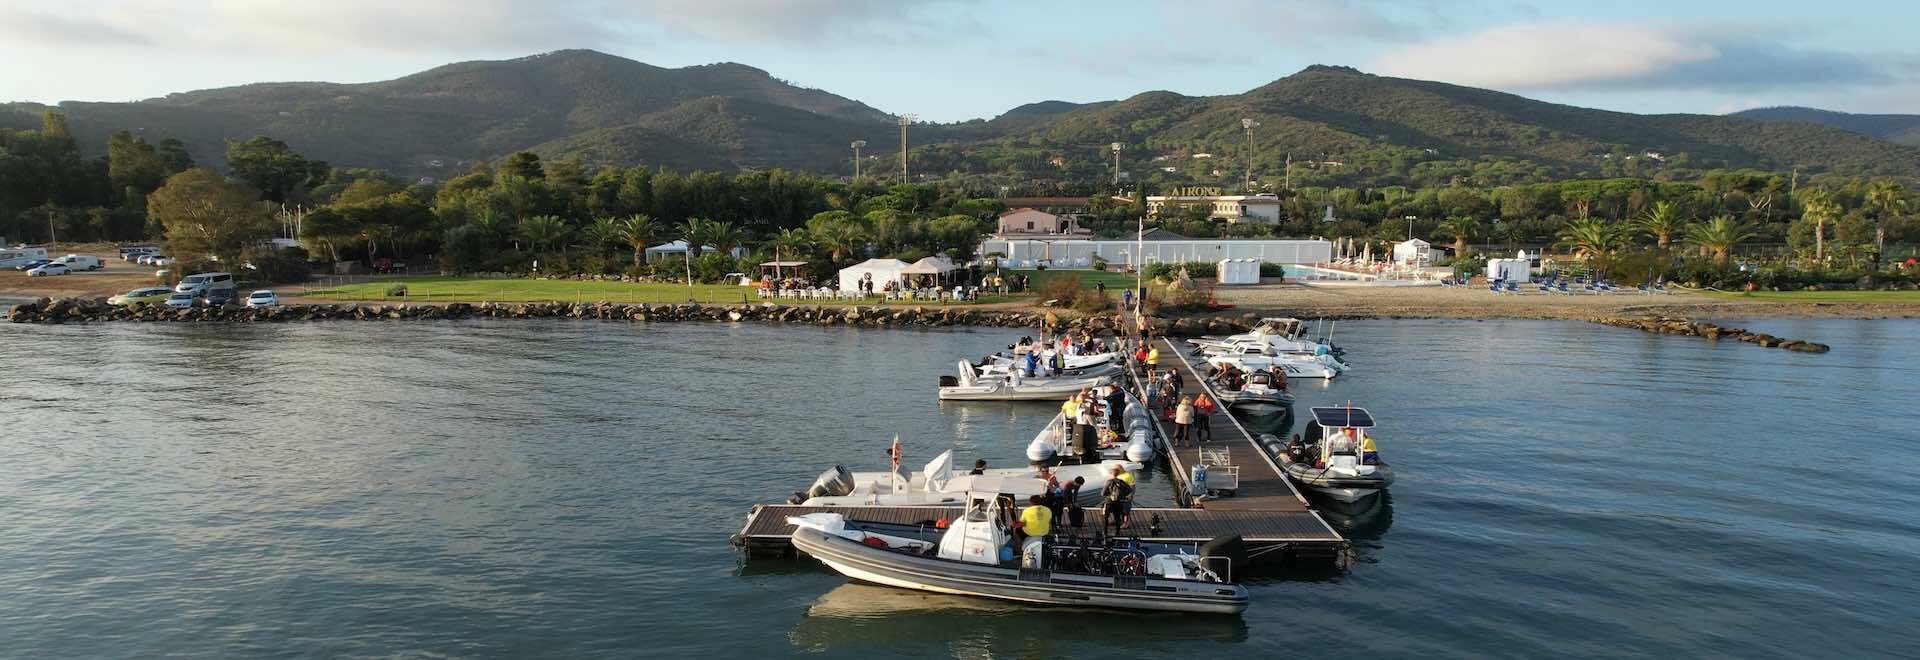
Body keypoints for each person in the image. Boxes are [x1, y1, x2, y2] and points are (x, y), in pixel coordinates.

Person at [1101, 466, 1134, 534]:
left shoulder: (1109, 482)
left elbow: (1102, 493)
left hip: (1109, 502)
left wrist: (1108, 494)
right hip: (1119, 502)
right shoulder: (1122, 482)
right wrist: (1123, 496)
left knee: (1106, 516)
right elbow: (1130, 490)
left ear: (1111, 474)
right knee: (1117, 517)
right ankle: (1117, 532)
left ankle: (1105, 531)